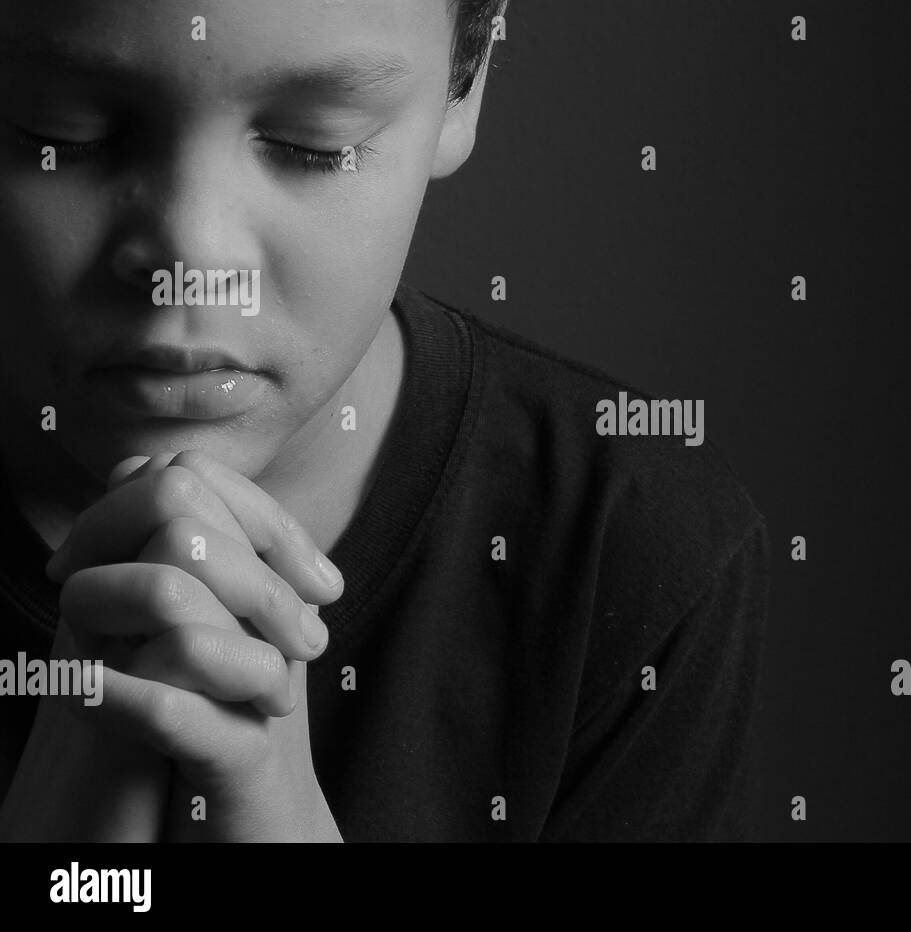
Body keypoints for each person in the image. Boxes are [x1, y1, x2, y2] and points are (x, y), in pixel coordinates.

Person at [0, 0, 769, 841]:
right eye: (64, 130)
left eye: (314, 145)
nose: (193, 262)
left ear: (462, 82)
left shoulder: (623, 543)